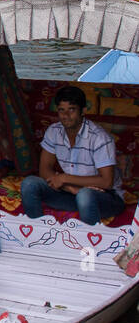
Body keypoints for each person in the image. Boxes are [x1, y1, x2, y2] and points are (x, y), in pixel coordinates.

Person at [20, 85, 125, 225]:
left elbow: (106, 182)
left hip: (107, 197)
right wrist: (68, 187)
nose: (65, 115)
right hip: (70, 192)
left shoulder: (99, 138)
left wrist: (64, 178)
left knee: (85, 195)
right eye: (61, 110)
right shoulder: (54, 131)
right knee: (29, 184)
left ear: (83, 111)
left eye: (71, 109)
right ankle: (38, 234)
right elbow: (44, 170)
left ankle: (89, 245)